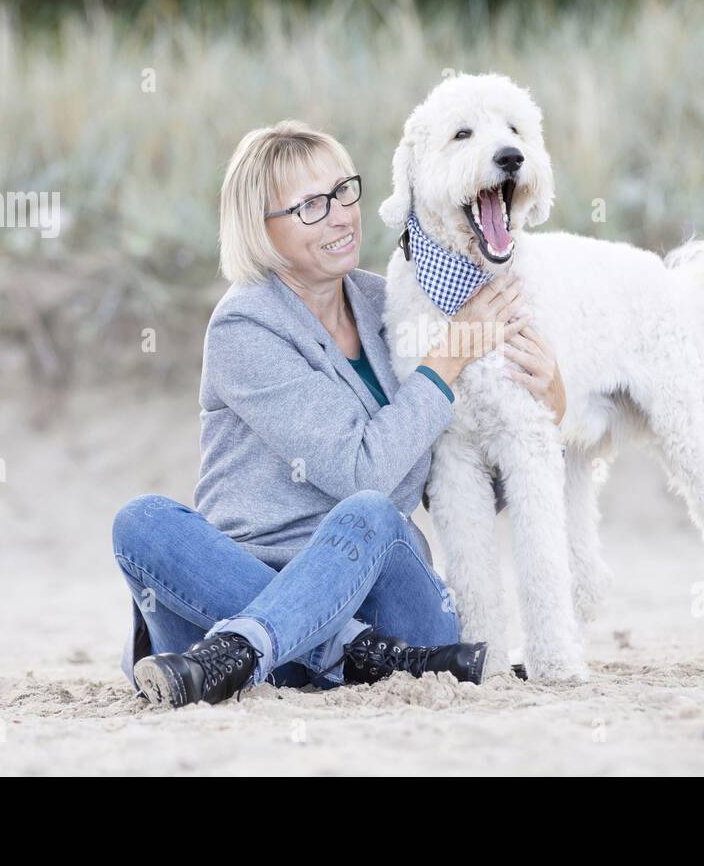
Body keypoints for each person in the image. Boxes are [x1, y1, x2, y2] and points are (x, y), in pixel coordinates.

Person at [112, 120, 566, 707]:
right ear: (261, 229)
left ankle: (256, 649)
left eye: (344, 191)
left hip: (382, 598)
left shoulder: (392, 303)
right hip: (244, 593)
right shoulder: (244, 326)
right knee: (141, 521)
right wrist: (451, 355)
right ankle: (337, 650)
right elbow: (361, 470)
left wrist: (552, 401)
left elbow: (474, 485)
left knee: (375, 516)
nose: (341, 215)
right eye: (310, 206)